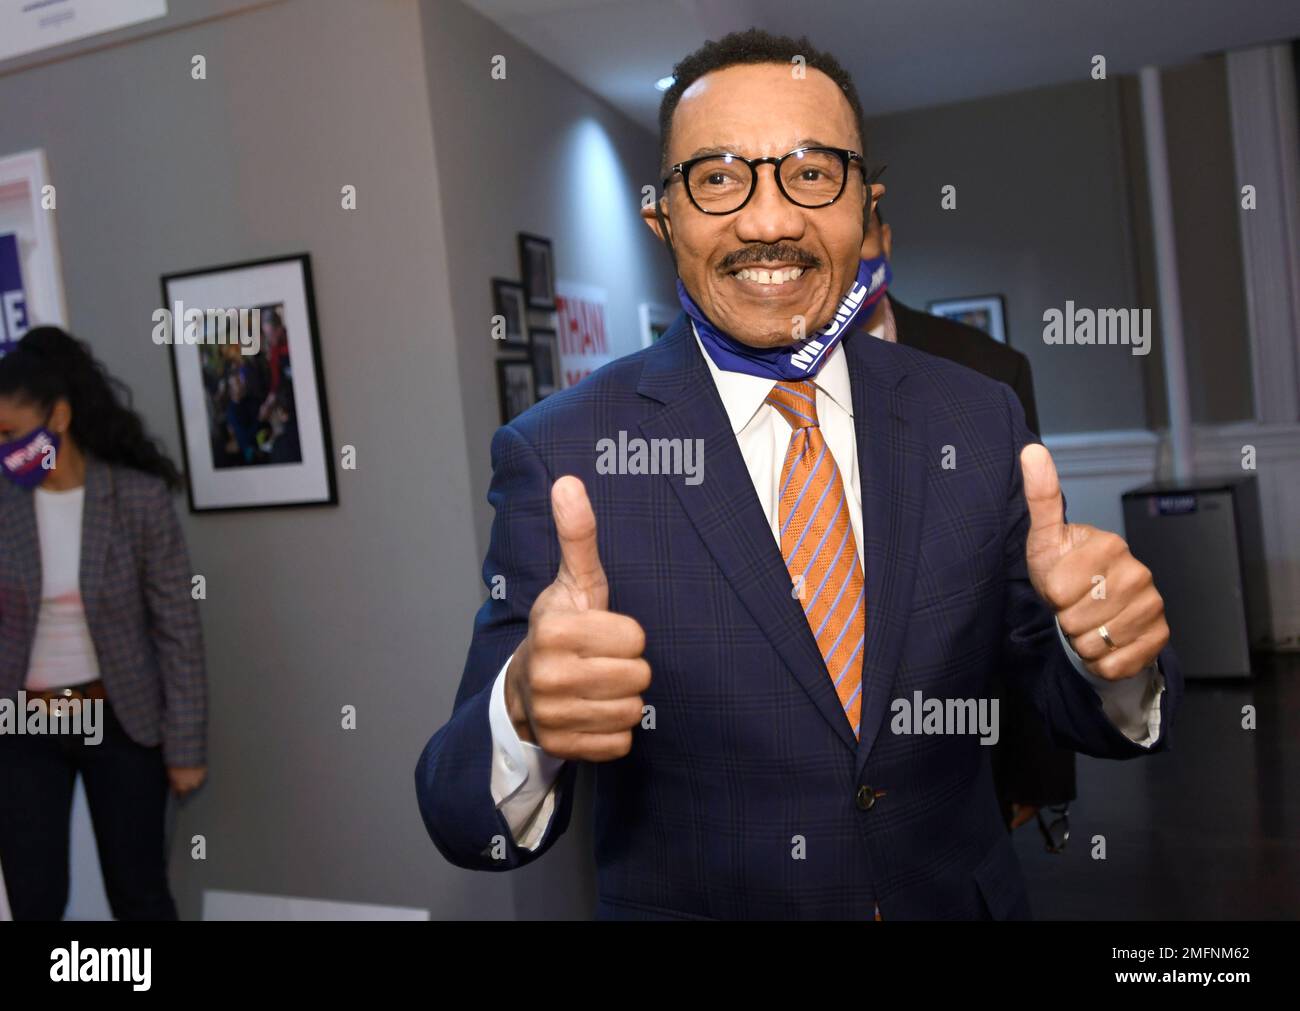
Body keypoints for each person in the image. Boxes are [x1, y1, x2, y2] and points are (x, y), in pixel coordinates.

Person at [415, 29, 1180, 920]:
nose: (770, 220)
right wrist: (521, 711)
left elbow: (1059, 703)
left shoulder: (976, 416)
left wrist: (1109, 658)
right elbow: (463, 817)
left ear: (867, 204)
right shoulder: (562, 457)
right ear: (663, 217)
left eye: (812, 172)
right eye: (718, 176)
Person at [856, 202, 1077, 836]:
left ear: (885, 239)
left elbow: (1033, 581)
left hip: (957, 758)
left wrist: (1038, 775)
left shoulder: (986, 372)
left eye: (862, 226)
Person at [0, 326, 207, 920]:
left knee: (138, 893)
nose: (6, 448)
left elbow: (178, 630)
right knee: (33, 898)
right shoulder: (6, 503)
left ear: (58, 418)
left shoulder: (136, 500)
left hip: (120, 717)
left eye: (13, 433)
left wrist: (186, 745)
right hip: (24, 722)